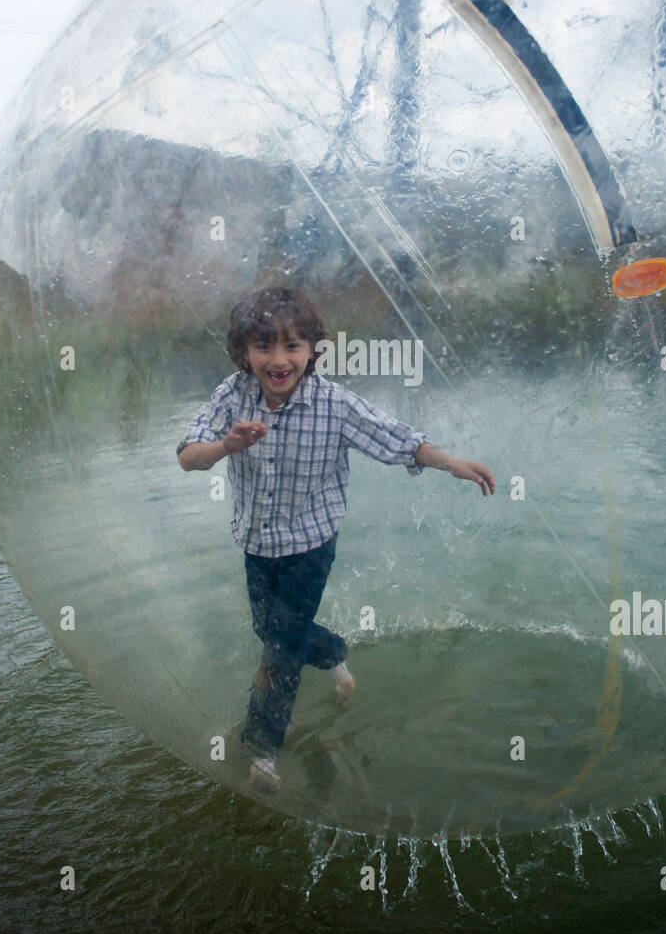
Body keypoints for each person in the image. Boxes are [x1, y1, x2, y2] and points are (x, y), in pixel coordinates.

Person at [176, 285, 495, 790]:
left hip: (310, 546)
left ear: (311, 350)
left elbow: (397, 440)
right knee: (270, 629)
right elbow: (188, 456)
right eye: (264, 348)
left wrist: (451, 463)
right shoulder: (232, 394)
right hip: (257, 545)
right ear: (244, 354)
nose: (279, 361)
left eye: (292, 346)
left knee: (278, 650)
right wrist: (225, 444)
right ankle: (334, 653)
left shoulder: (333, 405)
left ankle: (262, 752)